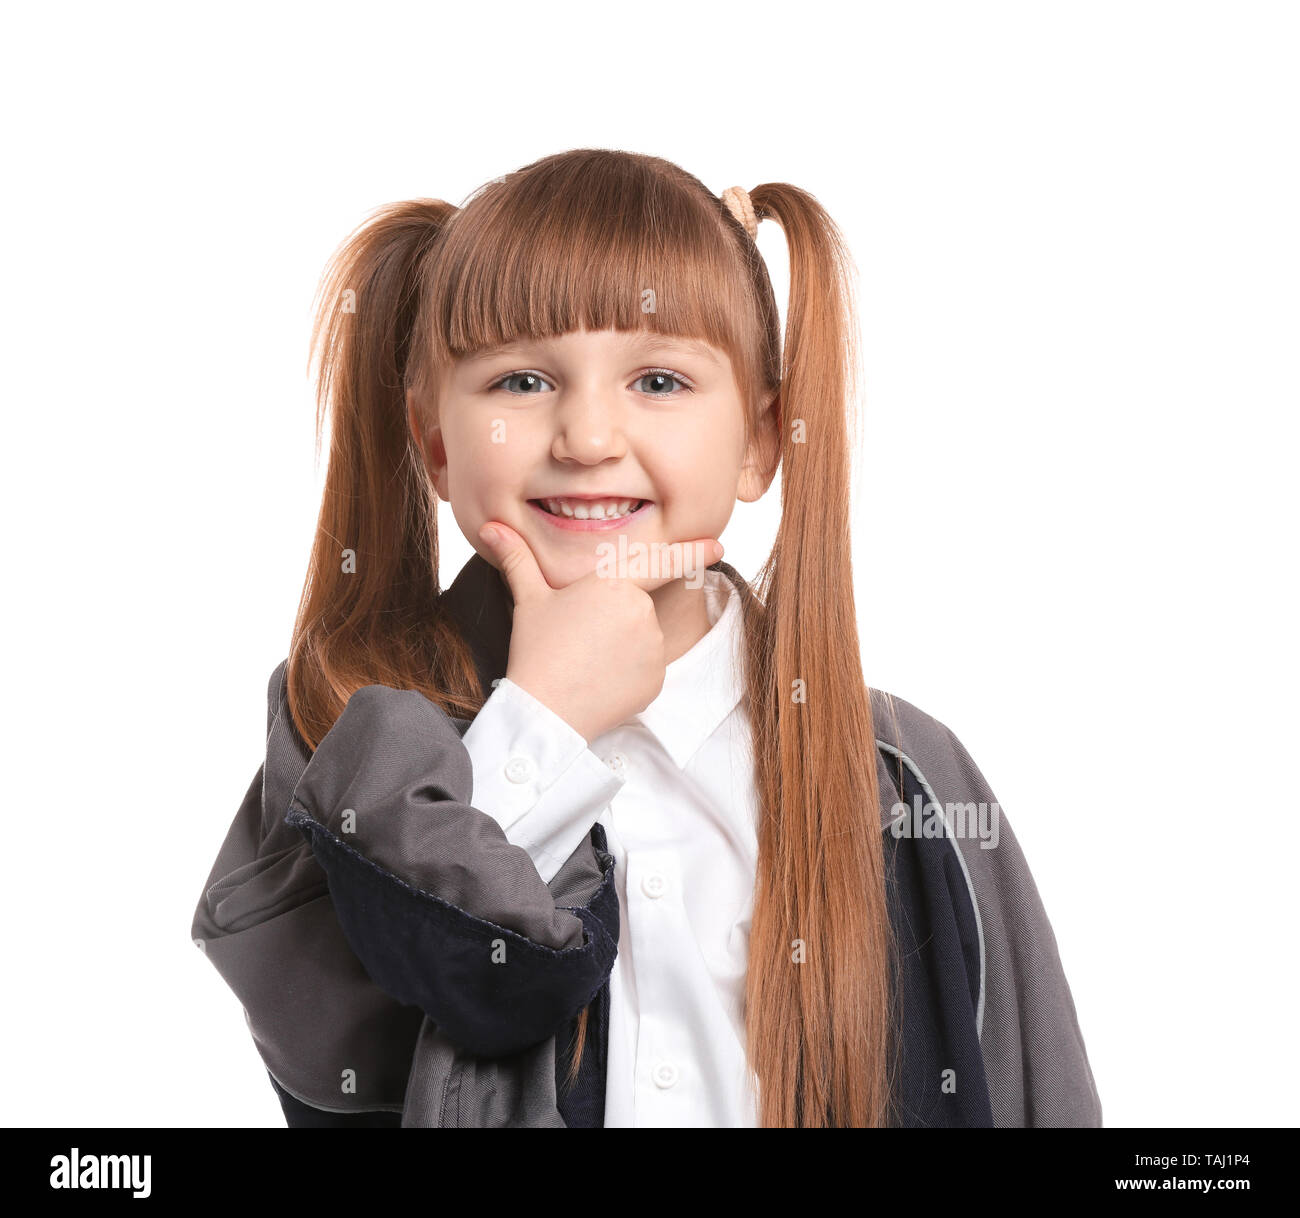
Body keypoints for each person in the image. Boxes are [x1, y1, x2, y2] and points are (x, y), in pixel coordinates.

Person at [191, 148, 1102, 1128]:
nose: (586, 437)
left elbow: (1034, 1086)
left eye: (659, 380)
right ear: (437, 445)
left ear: (760, 442)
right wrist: (537, 726)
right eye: (523, 379)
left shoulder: (906, 773)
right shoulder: (350, 732)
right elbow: (351, 1043)